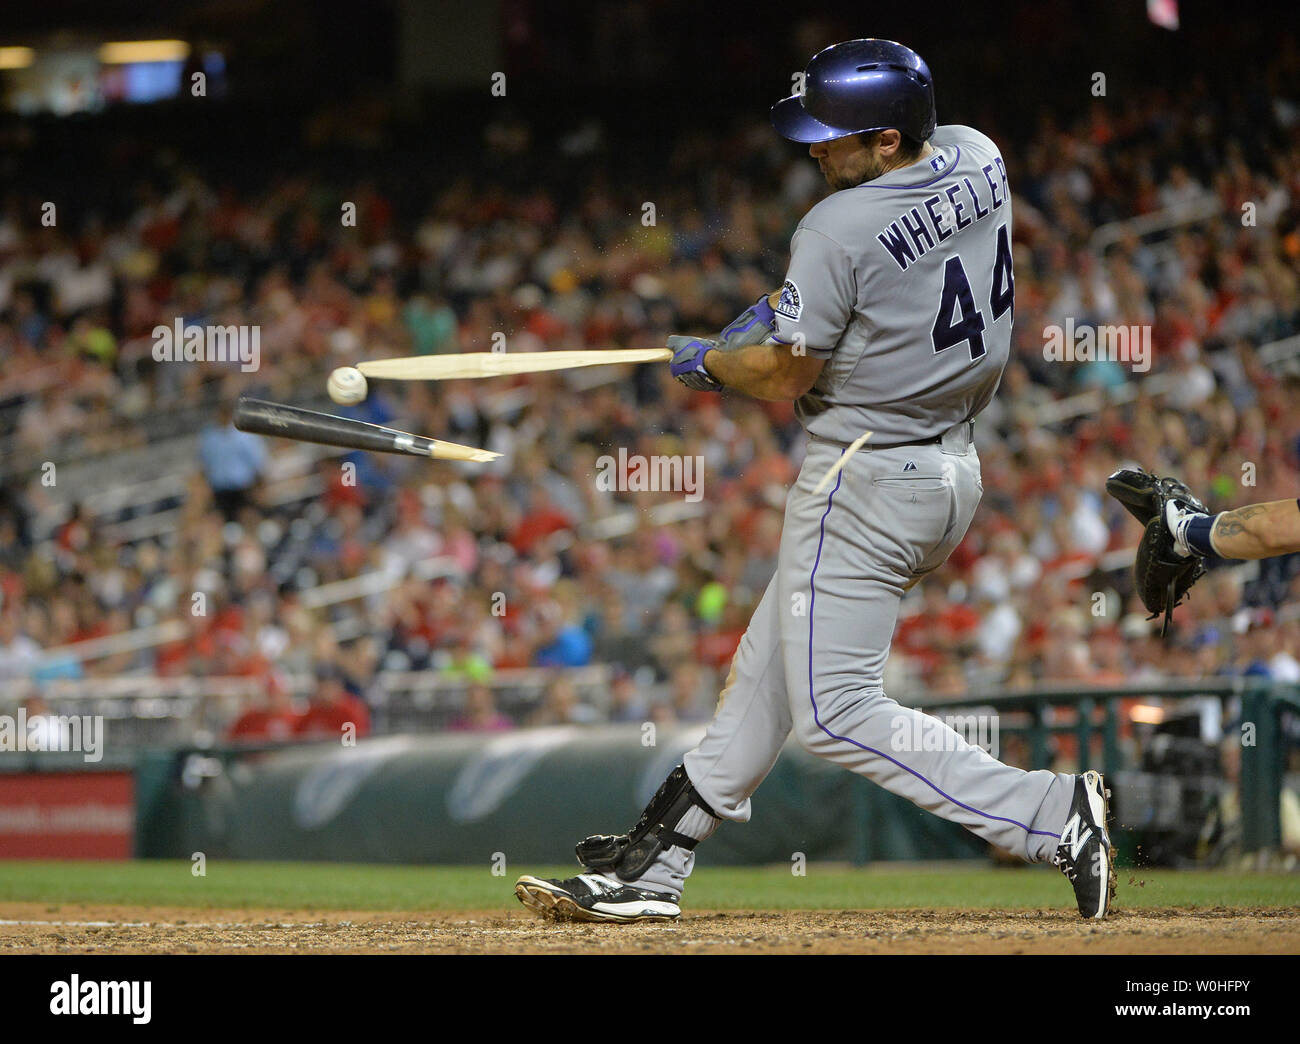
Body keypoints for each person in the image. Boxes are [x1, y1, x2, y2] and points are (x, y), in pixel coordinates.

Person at [515, 39, 1113, 925]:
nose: (814, 149)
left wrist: (716, 363)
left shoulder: (833, 228)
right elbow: (882, 285)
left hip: (864, 476)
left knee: (833, 713)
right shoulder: (977, 153)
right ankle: (660, 857)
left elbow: (790, 375)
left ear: (886, 140)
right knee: (773, 661)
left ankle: (1051, 814)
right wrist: (773, 320)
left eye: (837, 135)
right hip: (948, 467)